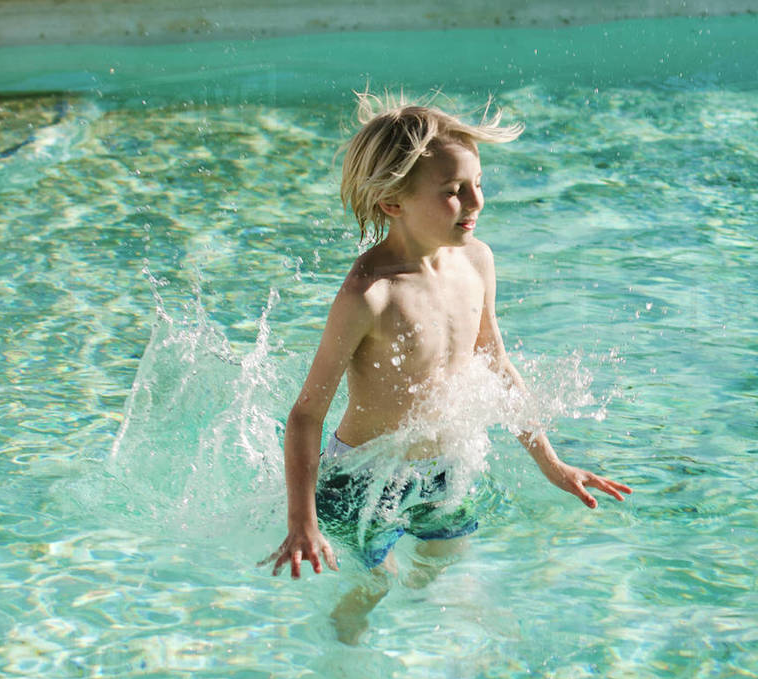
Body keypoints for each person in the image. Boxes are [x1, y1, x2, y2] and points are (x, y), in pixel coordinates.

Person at [262, 93, 631, 642]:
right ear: (393, 204)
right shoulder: (372, 294)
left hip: (444, 470)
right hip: (363, 479)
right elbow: (305, 416)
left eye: (478, 182)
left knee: (442, 574)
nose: (476, 200)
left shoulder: (477, 261)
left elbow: (498, 366)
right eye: (453, 192)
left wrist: (554, 465)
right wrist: (302, 523)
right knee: (369, 590)